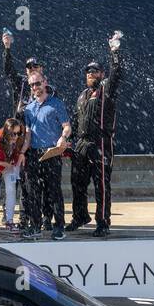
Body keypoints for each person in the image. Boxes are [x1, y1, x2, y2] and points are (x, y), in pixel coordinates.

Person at [69, 32, 124, 236]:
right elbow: (76, 122)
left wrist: (115, 52)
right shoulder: (82, 95)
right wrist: (67, 138)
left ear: (102, 74)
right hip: (82, 145)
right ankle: (80, 216)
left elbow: (117, 73)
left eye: (95, 71)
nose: (90, 74)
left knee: (101, 186)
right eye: (88, 72)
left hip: (101, 144)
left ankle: (103, 223)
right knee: (77, 182)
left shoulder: (106, 89)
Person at [21, 72, 72, 240]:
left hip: (51, 153)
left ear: (45, 83)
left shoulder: (56, 104)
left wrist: (63, 138)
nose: (35, 87)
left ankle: (59, 227)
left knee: (54, 191)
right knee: (33, 192)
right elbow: (28, 134)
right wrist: (22, 153)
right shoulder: (28, 108)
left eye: (37, 83)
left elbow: (67, 127)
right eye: (32, 85)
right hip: (33, 154)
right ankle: (35, 226)